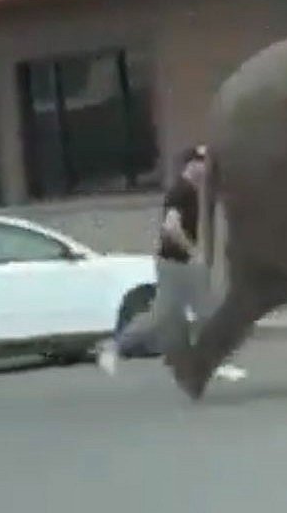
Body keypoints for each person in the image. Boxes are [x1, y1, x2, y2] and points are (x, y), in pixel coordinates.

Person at [95, 145, 245, 381]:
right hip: (179, 265)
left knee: (163, 315)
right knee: (206, 313)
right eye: (201, 162)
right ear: (190, 165)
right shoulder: (181, 191)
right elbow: (170, 227)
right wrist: (193, 252)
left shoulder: (191, 191)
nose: (206, 168)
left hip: (173, 264)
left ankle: (113, 347)